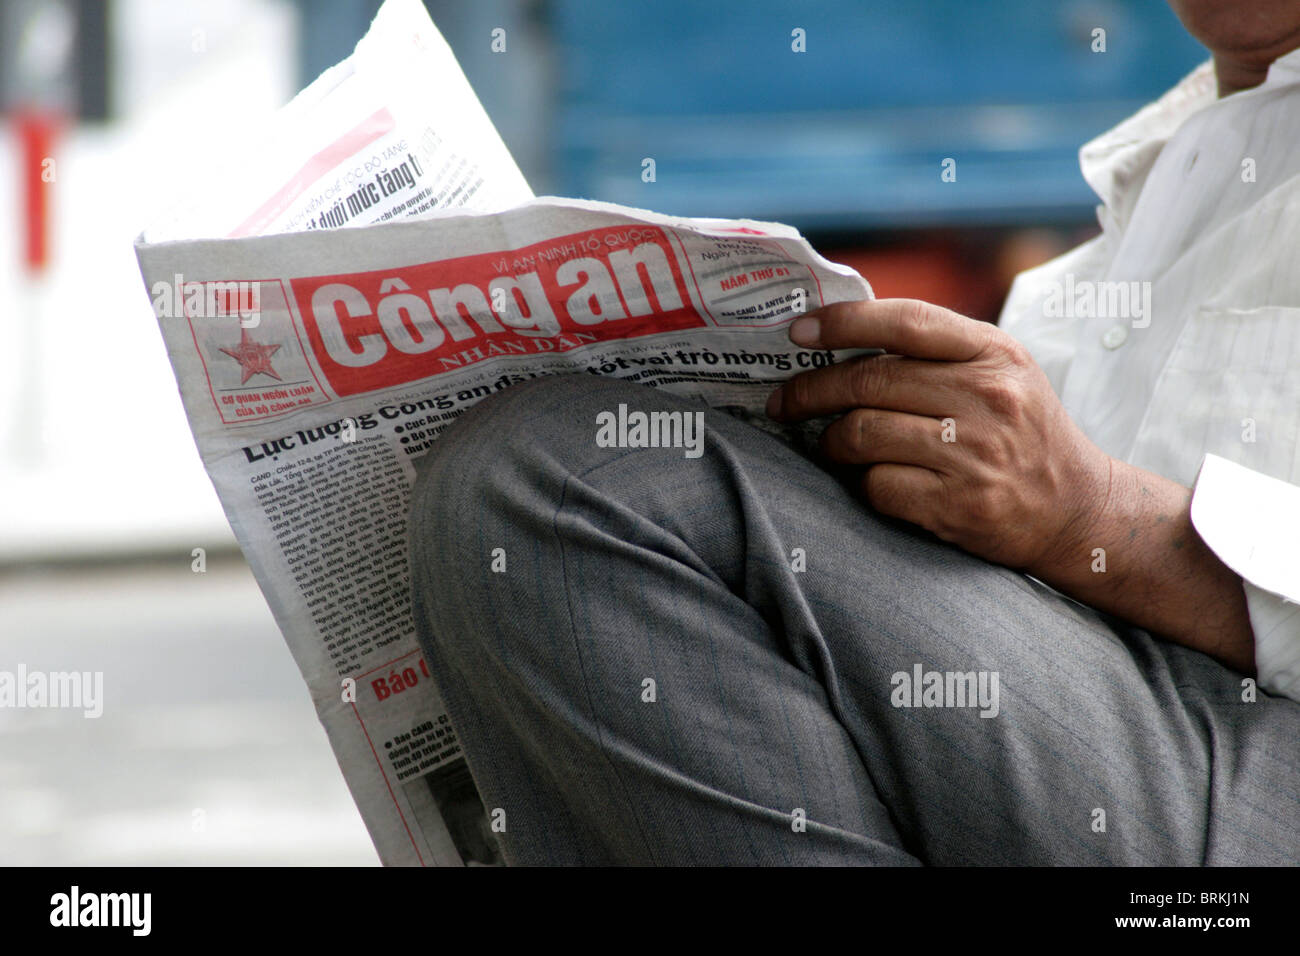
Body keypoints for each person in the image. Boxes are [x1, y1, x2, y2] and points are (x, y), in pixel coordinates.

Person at [408, 0, 1300, 864]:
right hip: (1103, 742)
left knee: (565, 479)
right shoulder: (1122, 225)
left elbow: (1073, 525)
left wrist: (1095, 518)